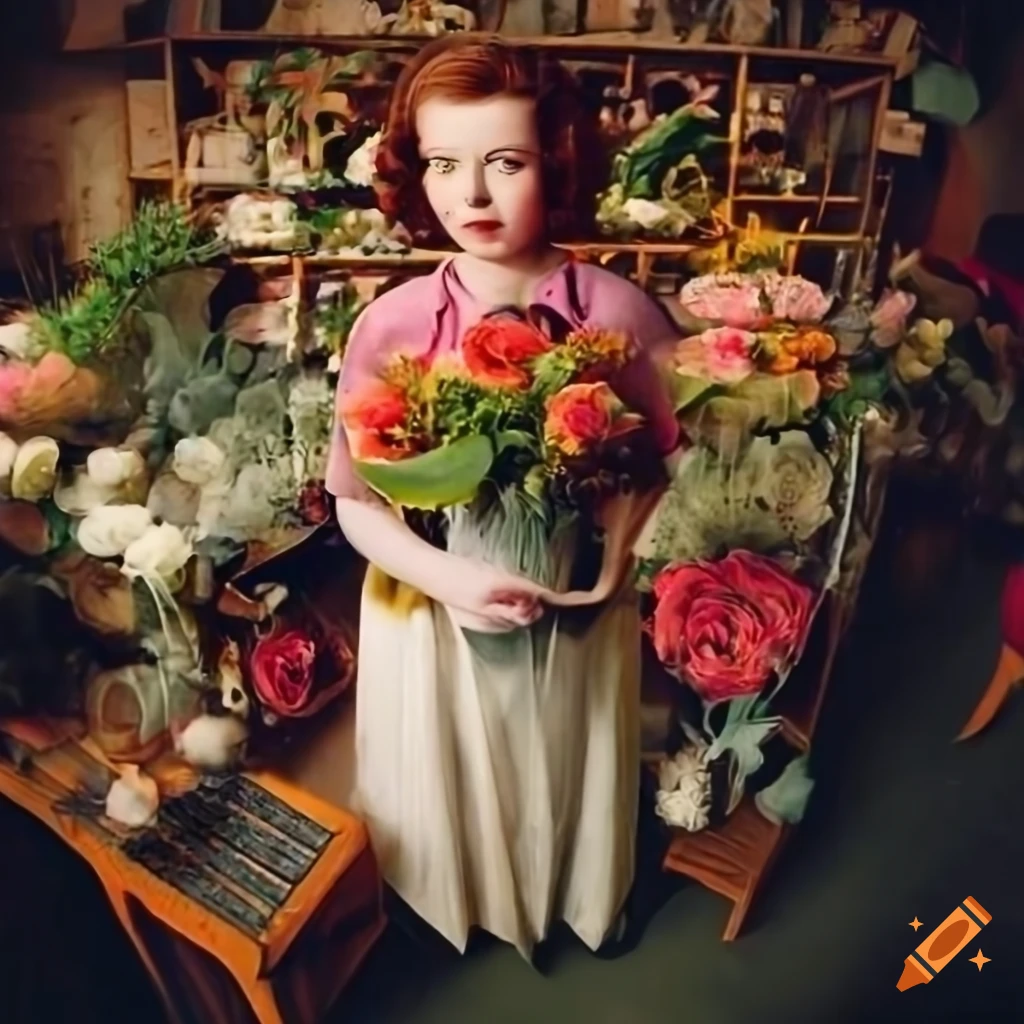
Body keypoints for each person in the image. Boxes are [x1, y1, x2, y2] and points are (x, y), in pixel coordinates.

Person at [325, 33, 681, 962]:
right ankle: (452, 907)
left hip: (577, 606)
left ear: (556, 162)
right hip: (429, 614)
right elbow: (356, 501)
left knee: (561, 767)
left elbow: (669, 470)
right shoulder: (391, 324)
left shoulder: (622, 314)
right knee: (446, 786)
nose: (469, 196)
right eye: (443, 163)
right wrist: (446, 577)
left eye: (505, 163)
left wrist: (608, 567)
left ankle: (574, 901)